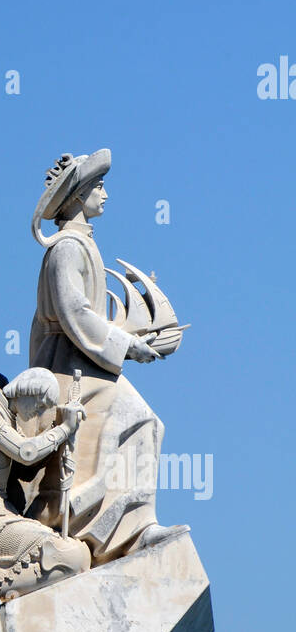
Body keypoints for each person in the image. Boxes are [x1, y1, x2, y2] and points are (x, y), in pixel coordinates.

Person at [27, 150, 186, 562]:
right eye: (98, 187)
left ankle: (132, 524)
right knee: (141, 419)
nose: (105, 194)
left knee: (146, 422)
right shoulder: (66, 249)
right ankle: (126, 530)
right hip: (66, 369)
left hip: (88, 363)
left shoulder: (81, 246)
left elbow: (88, 315)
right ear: (78, 197)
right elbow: (74, 312)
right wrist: (126, 345)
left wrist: (131, 334)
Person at [0, 368, 90, 598]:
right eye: (39, 403)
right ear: (27, 390)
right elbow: (26, 452)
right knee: (69, 556)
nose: (38, 411)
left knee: (79, 555)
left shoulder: (4, 413)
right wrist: (65, 429)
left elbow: (25, 468)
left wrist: (59, 431)